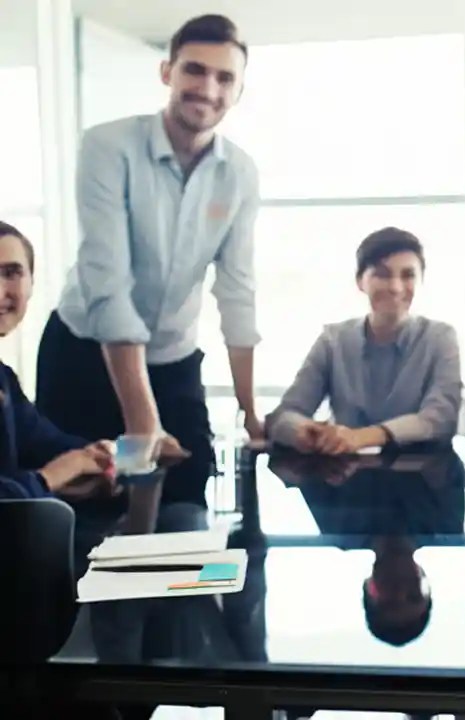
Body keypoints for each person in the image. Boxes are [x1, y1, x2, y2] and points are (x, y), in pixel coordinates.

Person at [35, 15, 260, 507]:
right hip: (84, 357)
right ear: (167, 72)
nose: (208, 88)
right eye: (194, 71)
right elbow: (109, 286)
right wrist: (144, 424)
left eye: (225, 78)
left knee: (188, 494)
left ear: (239, 91)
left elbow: (237, 293)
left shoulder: (240, 173)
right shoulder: (106, 146)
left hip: (172, 363)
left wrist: (251, 413)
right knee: (79, 506)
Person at [265, 227, 462, 453]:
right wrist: (303, 432)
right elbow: (285, 415)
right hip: (344, 475)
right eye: (382, 274)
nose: (396, 287)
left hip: (423, 476)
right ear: (360, 281)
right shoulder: (333, 341)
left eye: (408, 275)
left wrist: (363, 437)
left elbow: (440, 418)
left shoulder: (440, 338)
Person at [0, 222, 116, 500]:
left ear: (31, 283)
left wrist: (115, 454)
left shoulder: (5, 380)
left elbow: (48, 443)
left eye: (11, 273)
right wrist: (50, 477)